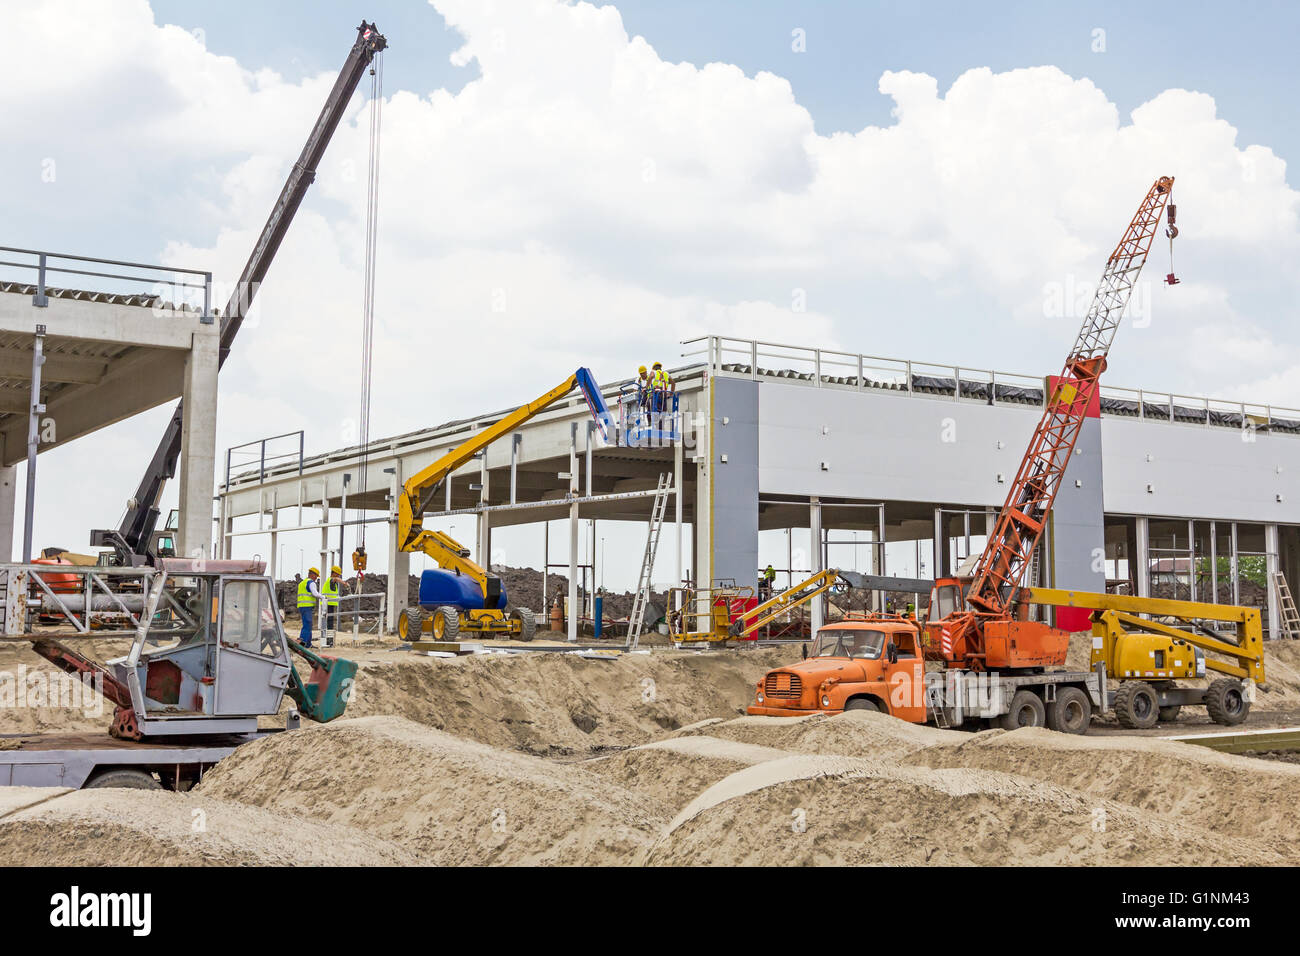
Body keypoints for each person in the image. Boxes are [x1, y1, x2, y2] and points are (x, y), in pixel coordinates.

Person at [296, 568, 324, 647]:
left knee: (308, 624)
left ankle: (308, 644)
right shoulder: (311, 583)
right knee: (307, 625)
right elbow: (315, 593)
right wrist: (324, 597)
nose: (316, 578)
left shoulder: (302, 583)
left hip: (302, 606)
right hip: (307, 606)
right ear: (312, 574)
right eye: (316, 576)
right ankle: (302, 644)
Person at [322, 565, 347, 646]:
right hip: (328, 604)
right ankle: (329, 642)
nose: (339, 575)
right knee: (329, 623)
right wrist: (344, 583)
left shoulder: (332, 582)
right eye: (338, 574)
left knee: (329, 623)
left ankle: (329, 641)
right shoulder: (331, 580)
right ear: (334, 573)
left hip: (330, 604)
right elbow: (335, 579)